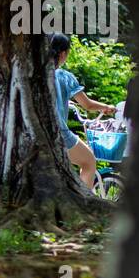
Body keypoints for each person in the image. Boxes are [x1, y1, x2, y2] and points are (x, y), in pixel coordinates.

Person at [49, 33, 115, 190]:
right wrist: (106, 107)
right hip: (59, 133)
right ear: (63, 54)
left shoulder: (33, 72)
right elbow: (88, 105)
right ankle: (85, 199)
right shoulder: (64, 76)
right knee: (89, 161)